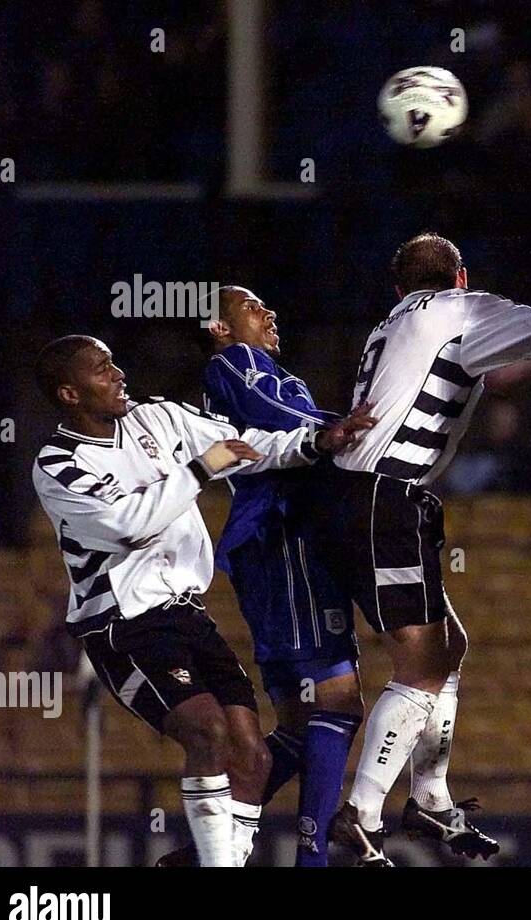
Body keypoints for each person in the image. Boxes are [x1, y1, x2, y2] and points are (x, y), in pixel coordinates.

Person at [30, 334, 373, 866]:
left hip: (188, 612)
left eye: (114, 361)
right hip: (124, 622)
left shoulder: (159, 418)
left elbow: (242, 443)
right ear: (70, 394)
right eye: (102, 368)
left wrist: (318, 441)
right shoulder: (56, 464)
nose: (119, 373)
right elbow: (125, 524)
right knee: (207, 731)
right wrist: (200, 468)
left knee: (254, 758)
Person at [306, 232, 531, 865]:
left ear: (398, 287)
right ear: (460, 277)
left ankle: (432, 799)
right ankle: (360, 814)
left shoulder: (394, 323)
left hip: (366, 497)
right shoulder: (460, 310)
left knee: (448, 648)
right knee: (420, 665)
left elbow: (487, 373)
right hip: (386, 498)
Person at [201, 285, 366, 867]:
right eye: (250, 308)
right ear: (221, 329)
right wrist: (344, 427)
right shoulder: (235, 362)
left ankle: (208, 849)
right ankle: (313, 856)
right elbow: (287, 422)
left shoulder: (270, 374)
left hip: (271, 549)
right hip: (283, 537)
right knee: (340, 701)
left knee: (299, 723)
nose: (268, 313)